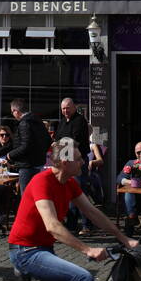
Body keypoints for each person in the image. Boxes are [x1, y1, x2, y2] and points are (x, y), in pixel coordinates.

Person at [7, 137, 139, 281]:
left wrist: (123, 238)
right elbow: (52, 226)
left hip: (43, 249)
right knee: (83, 280)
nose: (83, 162)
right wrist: (87, 250)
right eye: (78, 158)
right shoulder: (41, 182)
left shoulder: (69, 183)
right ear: (65, 162)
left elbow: (92, 212)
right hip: (26, 251)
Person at [55, 98, 91, 232]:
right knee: (68, 192)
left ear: (74, 107)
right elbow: (58, 138)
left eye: (67, 108)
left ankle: (86, 224)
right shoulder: (62, 122)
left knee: (80, 191)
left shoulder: (80, 121)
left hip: (77, 161)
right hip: (65, 162)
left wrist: (59, 145)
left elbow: (74, 141)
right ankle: (72, 223)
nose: (65, 111)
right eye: (63, 109)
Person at [6, 98, 50, 194]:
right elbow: (48, 140)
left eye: (12, 112)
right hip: (39, 164)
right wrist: (40, 153)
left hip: (27, 166)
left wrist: (10, 155)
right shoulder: (38, 121)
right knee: (38, 196)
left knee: (27, 197)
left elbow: (25, 146)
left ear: (16, 111)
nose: (13, 115)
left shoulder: (24, 123)